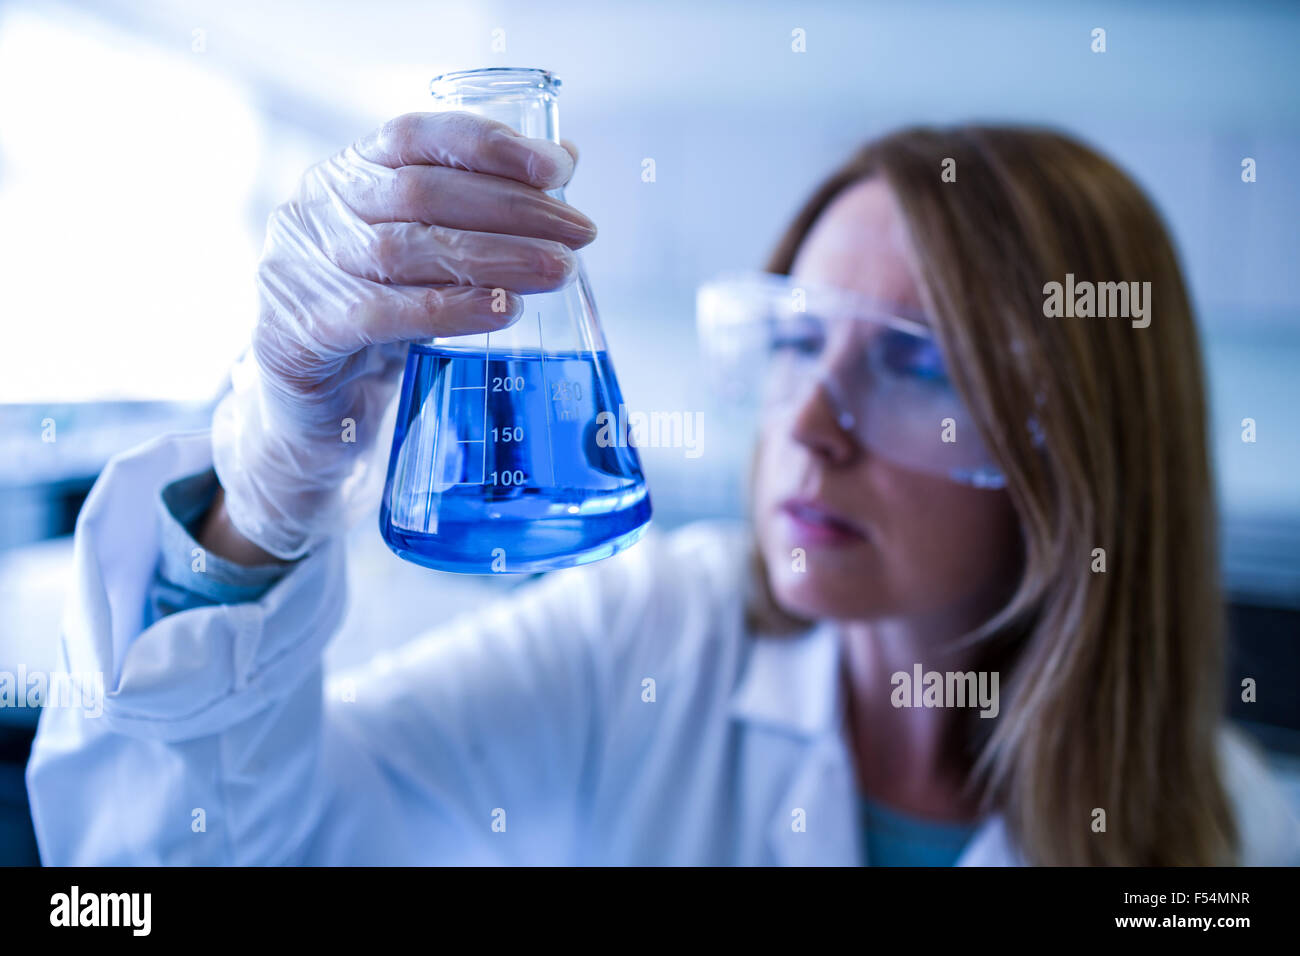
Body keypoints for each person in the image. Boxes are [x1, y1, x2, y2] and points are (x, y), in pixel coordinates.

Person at [26, 113, 1300, 866]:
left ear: (1083, 441)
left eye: (914, 361)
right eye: (796, 336)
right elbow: (190, 858)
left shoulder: (1241, 843)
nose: (805, 421)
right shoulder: (653, 638)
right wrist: (262, 493)